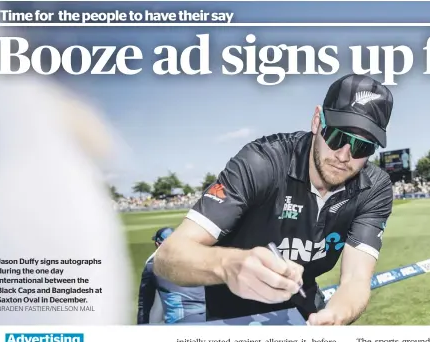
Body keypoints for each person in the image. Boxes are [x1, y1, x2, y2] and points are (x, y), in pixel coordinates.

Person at [153, 74, 395, 325]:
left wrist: (337, 315)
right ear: (316, 121)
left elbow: (356, 278)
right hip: (230, 312)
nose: (344, 155)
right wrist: (229, 265)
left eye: (362, 147)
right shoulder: (262, 162)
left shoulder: (374, 188)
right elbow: (168, 256)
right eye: (336, 136)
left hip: (302, 308)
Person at [137, 227, 206, 324]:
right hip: (207, 318)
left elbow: (144, 305)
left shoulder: (152, 265)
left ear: (157, 244)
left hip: (179, 321)